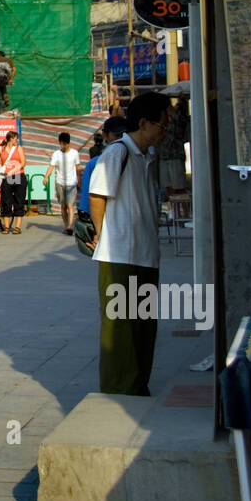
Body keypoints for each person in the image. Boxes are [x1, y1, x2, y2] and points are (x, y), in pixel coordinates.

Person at [88, 92, 170, 396]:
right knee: (120, 328)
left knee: (144, 325)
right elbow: (97, 196)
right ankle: (119, 389)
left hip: (147, 255)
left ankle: (138, 384)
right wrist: (102, 233)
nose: (165, 133)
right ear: (145, 122)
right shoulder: (117, 153)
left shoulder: (147, 157)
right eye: (163, 126)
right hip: (119, 255)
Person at [78, 117, 127, 216]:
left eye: (123, 135)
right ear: (105, 135)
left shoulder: (131, 155)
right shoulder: (97, 162)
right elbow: (92, 197)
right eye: (117, 135)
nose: (120, 139)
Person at [0, 130, 26, 234]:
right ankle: (7, 227)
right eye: (16, 138)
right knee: (6, 201)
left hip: (18, 176)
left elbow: (23, 163)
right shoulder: (1, 149)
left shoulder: (19, 148)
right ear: (10, 139)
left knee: (19, 201)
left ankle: (17, 227)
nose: (17, 140)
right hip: (6, 177)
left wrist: (13, 171)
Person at [44, 132, 81, 235]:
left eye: (66, 144)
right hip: (60, 183)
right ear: (59, 143)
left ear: (69, 143)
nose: (64, 146)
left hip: (71, 183)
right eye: (62, 143)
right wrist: (46, 177)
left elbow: (78, 168)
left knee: (70, 206)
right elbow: (51, 166)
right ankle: (66, 226)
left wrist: (79, 180)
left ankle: (70, 226)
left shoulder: (75, 153)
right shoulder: (56, 154)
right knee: (63, 206)